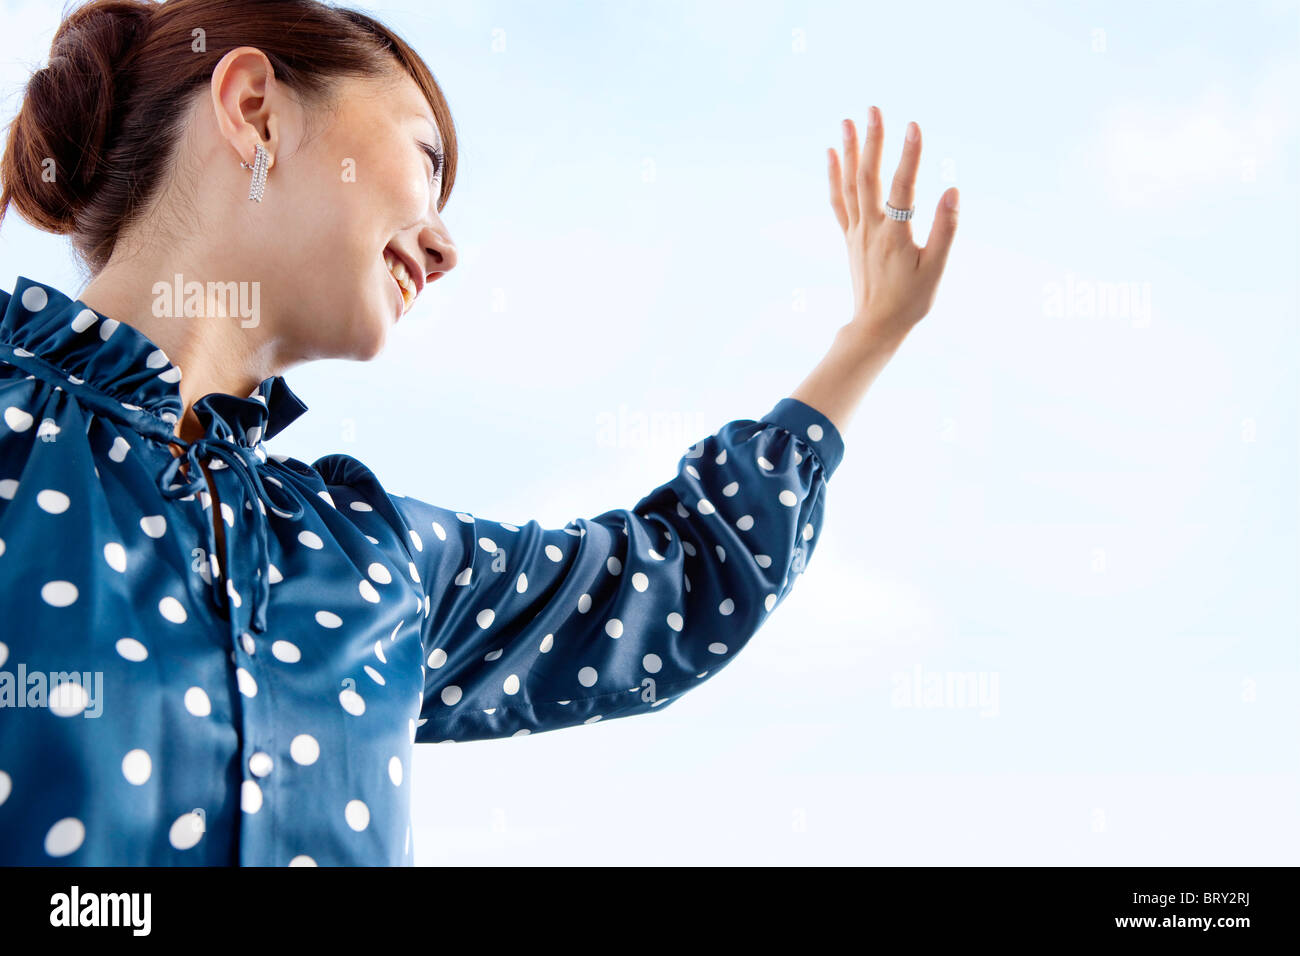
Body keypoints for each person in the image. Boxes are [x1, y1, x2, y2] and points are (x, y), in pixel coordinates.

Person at [0, 0, 959, 866]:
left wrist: (868, 338)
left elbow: (675, 580)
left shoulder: (374, 558)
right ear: (255, 109)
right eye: (426, 160)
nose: (448, 248)